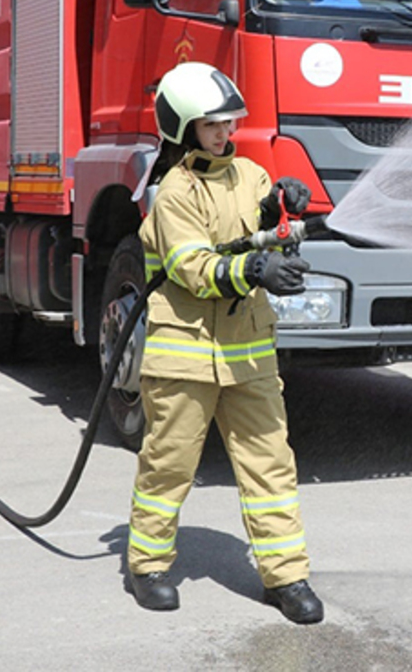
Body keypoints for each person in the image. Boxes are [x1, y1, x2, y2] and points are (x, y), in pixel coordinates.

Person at [124, 61, 324, 625]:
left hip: (250, 353)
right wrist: (256, 268)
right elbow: (193, 268)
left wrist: (281, 206)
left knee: (271, 467)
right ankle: (149, 564)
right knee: (169, 465)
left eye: (228, 123)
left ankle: (287, 576)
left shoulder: (252, 175)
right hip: (184, 355)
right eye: (211, 125)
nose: (224, 133)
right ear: (183, 128)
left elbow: (263, 241)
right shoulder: (173, 195)